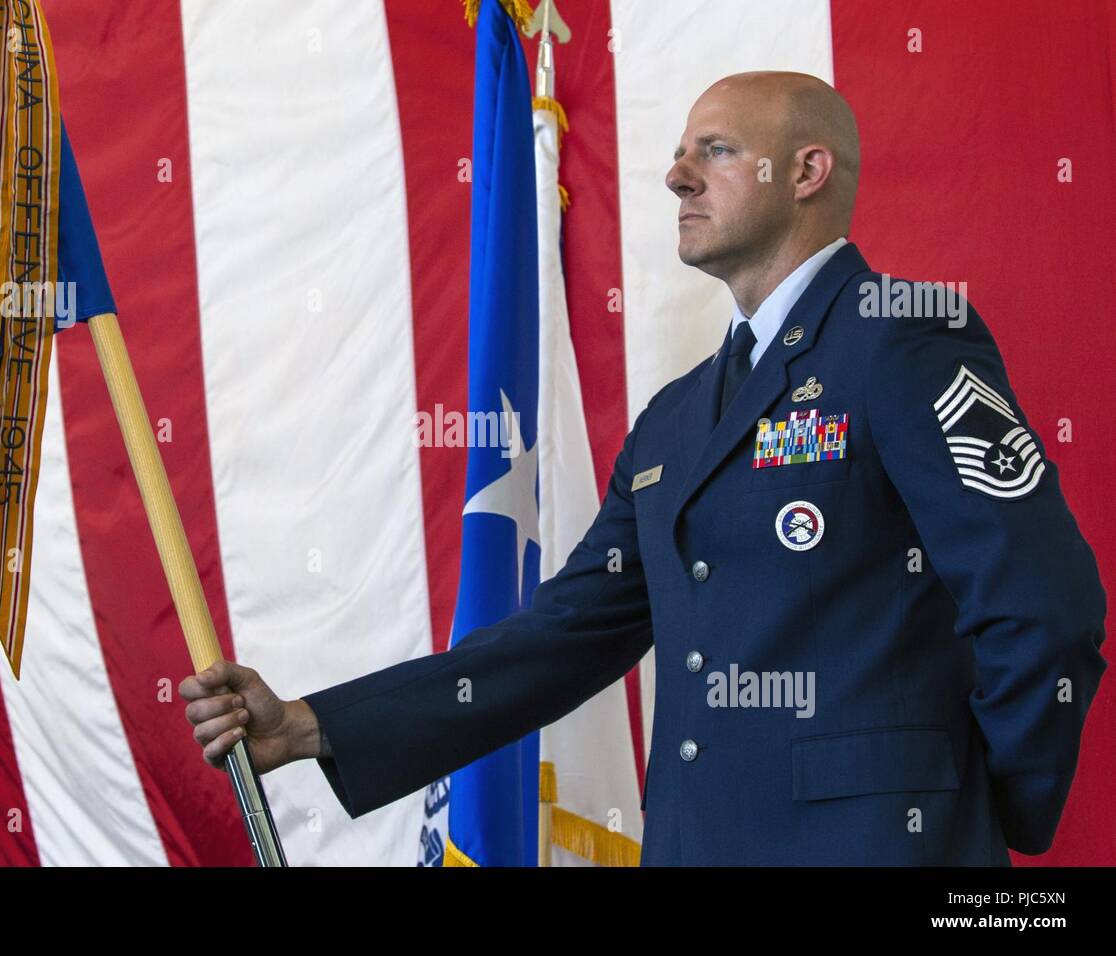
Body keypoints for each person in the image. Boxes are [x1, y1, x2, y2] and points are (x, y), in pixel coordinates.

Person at [181, 71, 1107, 865]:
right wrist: (310, 724)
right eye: (679, 154)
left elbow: (1044, 603)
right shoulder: (675, 421)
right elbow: (563, 639)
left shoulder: (902, 336)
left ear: (808, 171)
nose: (675, 176)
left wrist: (987, 807)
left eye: (714, 151)